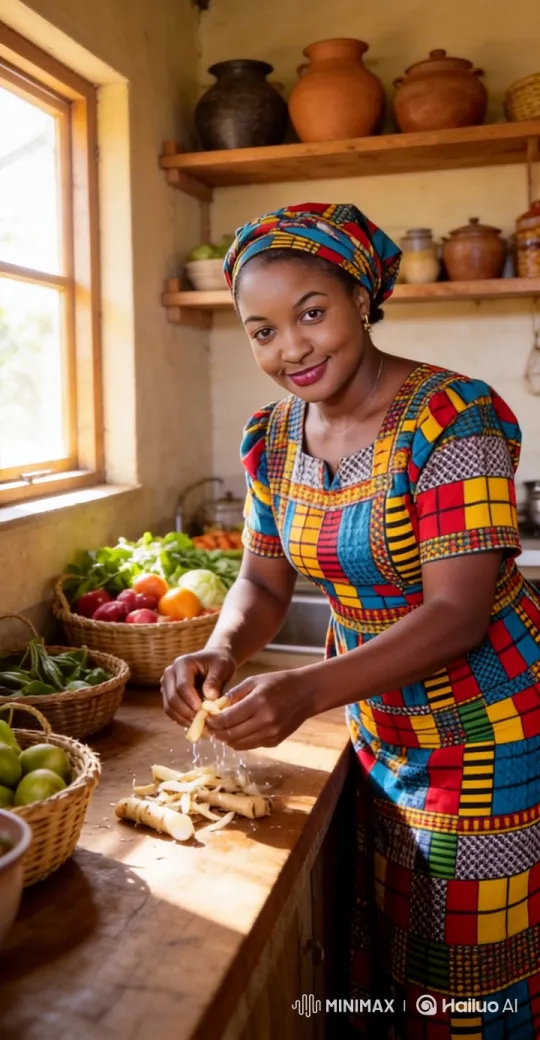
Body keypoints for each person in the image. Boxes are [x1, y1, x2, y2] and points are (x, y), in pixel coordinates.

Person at [162, 202, 540, 1038]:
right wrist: (219, 647)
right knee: (394, 961)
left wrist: (305, 689)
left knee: (468, 986)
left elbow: (457, 616)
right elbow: (263, 581)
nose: (290, 348)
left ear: (362, 297)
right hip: (379, 727)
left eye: (310, 313)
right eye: (261, 331)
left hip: (487, 736)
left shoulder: (453, 419)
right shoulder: (271, 437)